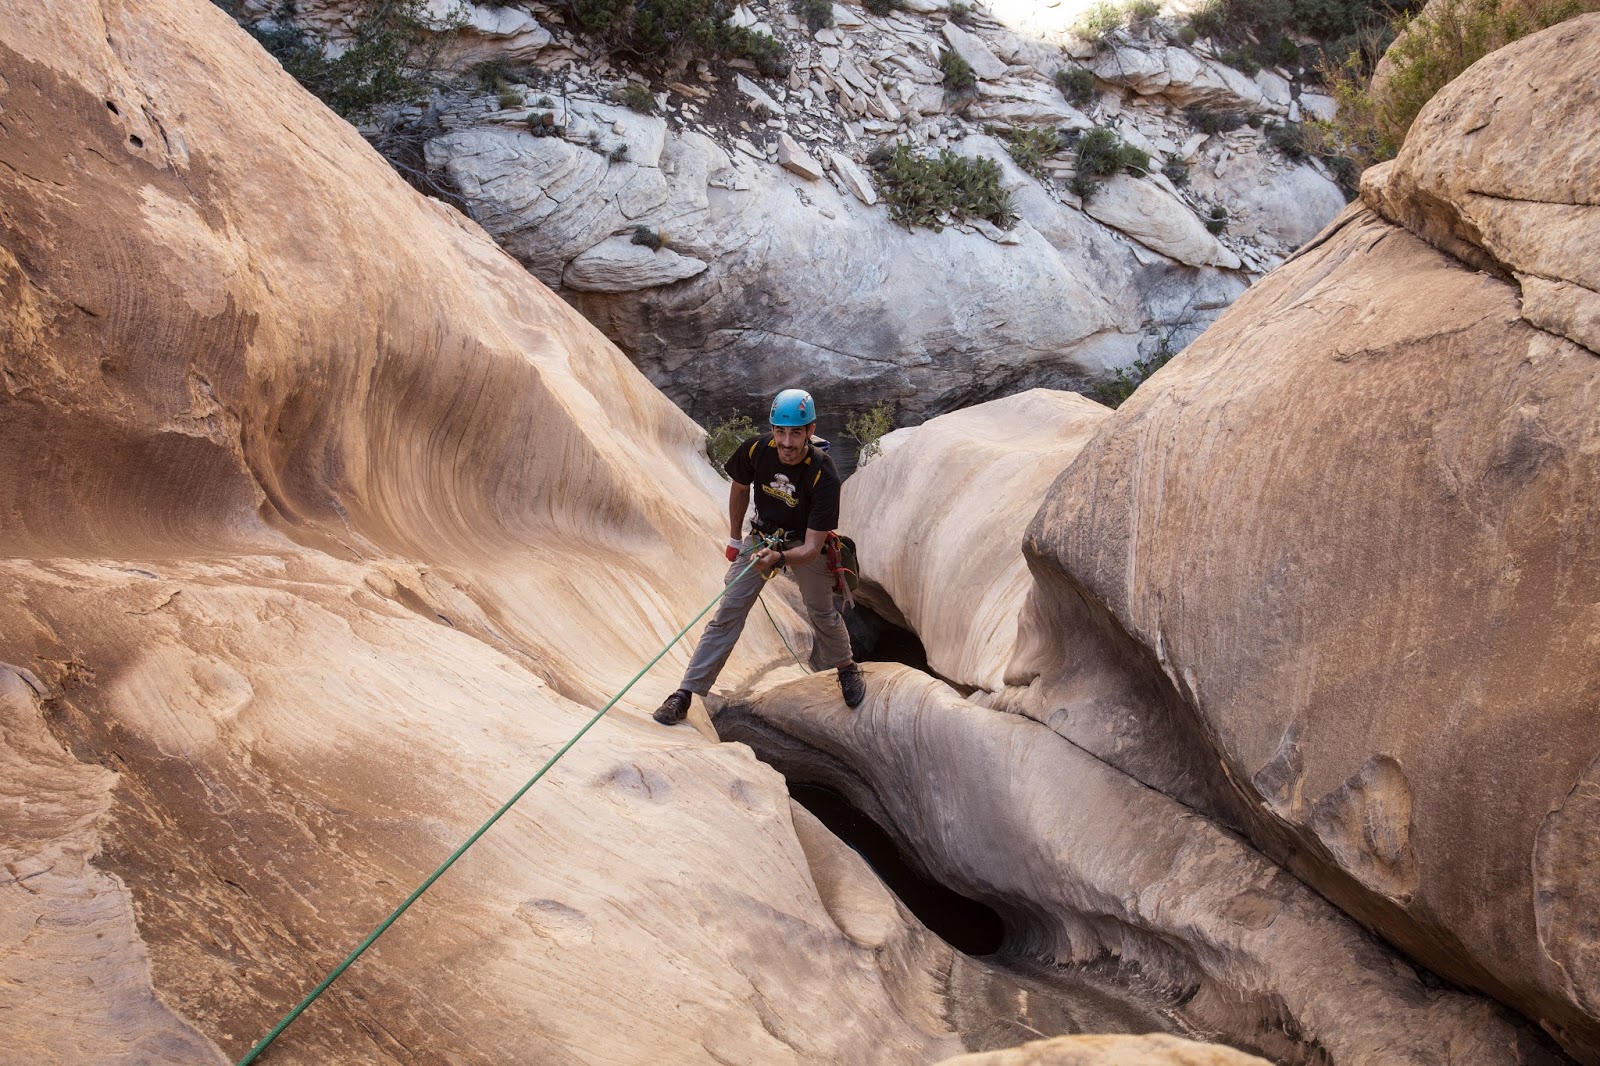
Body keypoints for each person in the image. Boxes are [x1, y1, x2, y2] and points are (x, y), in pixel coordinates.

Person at [654, 388, 866, 724]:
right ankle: (685, 693)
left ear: (810, 431)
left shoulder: (823, 473)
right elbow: (739, 487)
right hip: (764, 535)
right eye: (779, 431)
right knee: (729, 611)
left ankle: (847, 668)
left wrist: (779, 559)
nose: (786, 442)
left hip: (802, 543)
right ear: (771, 428)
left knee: (821, 612)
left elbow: (811, 548)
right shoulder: (756, 449)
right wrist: (735, 538)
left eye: (795, 433)